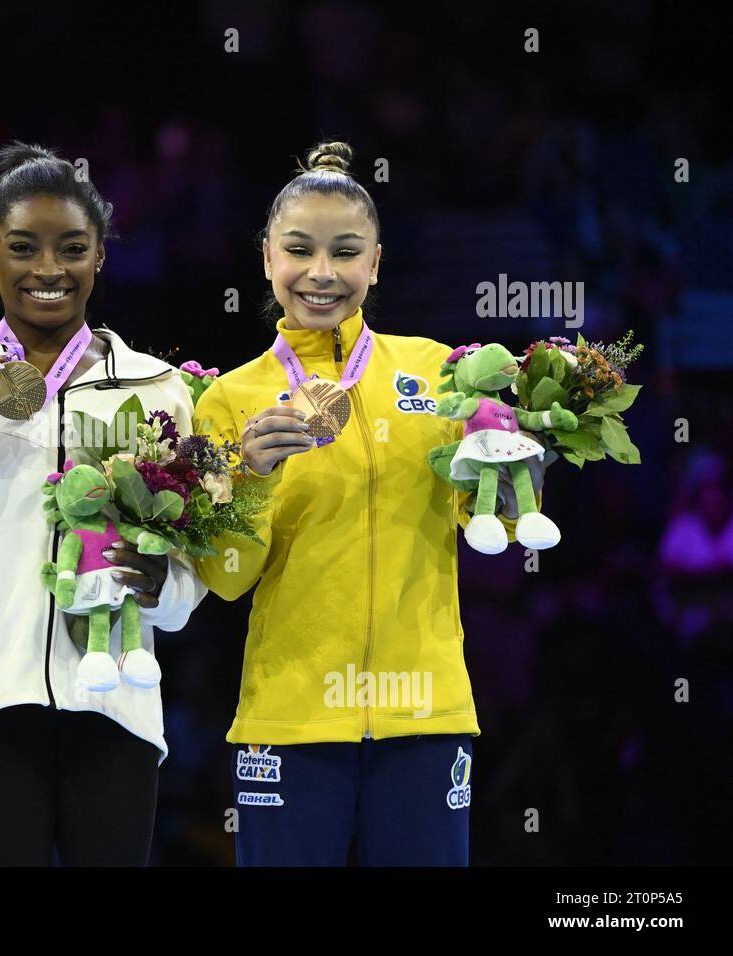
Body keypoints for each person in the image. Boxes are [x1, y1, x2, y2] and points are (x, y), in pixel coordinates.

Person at [194, 142, 548, 866]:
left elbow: (500, 534)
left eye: (345, 252)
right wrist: (249, 476)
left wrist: (519, 468)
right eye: (299, 250)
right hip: (290, 723)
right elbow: (225, 577)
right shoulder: (228, 400)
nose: (321, 273)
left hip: (424, 714)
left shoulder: (436, 372)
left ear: (376, 263)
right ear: (266, 257)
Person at [0, 142, 206, 865]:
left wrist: (162, 586)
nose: (49, 270)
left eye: (73, 249)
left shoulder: (156, 389)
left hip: (116, 698)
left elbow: (182, 600)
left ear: (100, 259)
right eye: (24, 248)